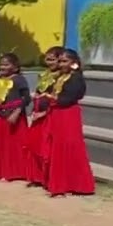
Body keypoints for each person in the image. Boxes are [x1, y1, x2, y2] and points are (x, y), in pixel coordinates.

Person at [42, 49, 96, 197]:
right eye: (60, 61)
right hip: (57, 113)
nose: (61, 64)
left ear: (74, 63)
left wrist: (52, 99)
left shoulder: (76, 78)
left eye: (64, 61)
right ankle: (59, 182)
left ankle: (75, 183)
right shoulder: (61, 76)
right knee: (57, 145)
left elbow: (71, 97)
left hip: (68, 114)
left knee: (70, 145)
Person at [0, 53, 31, 183]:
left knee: (12, 145)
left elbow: (26, 98)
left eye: (7, 64)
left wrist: (16, 112)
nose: (3, 67)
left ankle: (13, 172)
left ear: (15, 67)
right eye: (2, 64)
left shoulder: (19, 80)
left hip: (13, 115)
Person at [26, 47, 63, 186]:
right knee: (35, 145)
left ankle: (48, 178)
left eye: (53, 59)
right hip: (37, 113)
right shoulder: (45, 74)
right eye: (47, 59)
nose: (50, 62)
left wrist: (45, 112)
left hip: (49, 114)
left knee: (46, 147)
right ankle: (37, 176)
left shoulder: (60, 77)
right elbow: (38, 91)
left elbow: (56, 97)